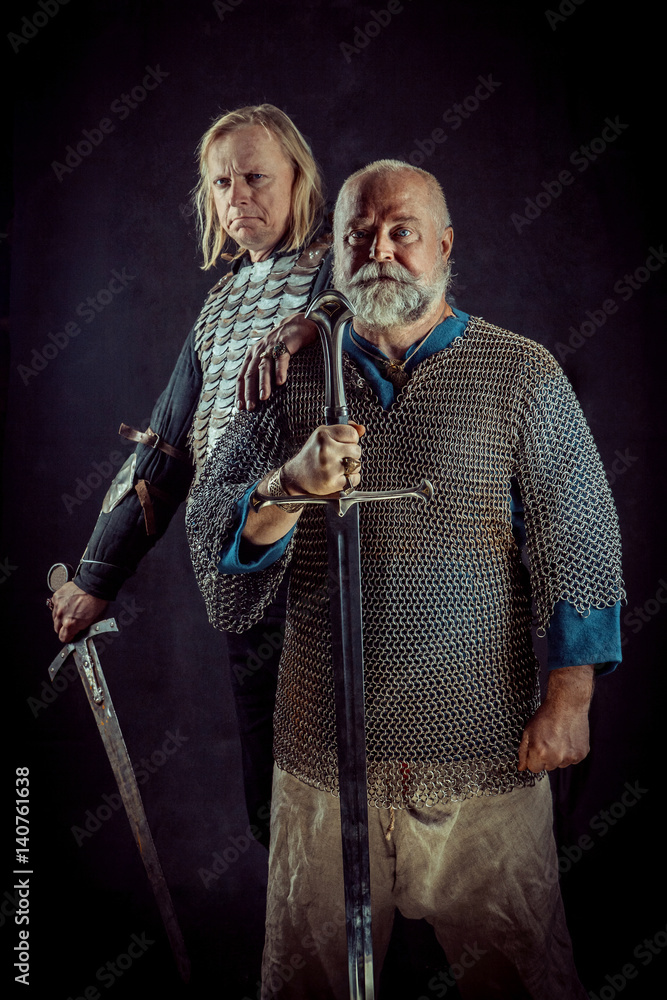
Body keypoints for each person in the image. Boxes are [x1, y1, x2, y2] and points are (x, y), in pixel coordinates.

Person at [186, 159, 625, 998]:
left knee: (519, 979)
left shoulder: (518, 375)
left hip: (481, 753)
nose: (379, 250)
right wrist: (285, 487)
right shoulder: (286, 381)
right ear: (335, 258)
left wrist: (570, 697)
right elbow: (218, 544)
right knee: (305, 983)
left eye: (401, 232)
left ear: (444, 245)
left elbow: (581, 538)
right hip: (321, 759)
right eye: (357, 237)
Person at [47, 103, 331, 846]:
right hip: (246, 561)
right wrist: (96, 575)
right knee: (275, 803)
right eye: (221, 182)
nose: (237, 196)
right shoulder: (220, 307)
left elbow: (401, 324)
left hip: (345, 564)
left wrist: (325, 315)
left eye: (255, 176)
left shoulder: (349, 266)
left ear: (298, 175)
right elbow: (165, 452)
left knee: (366, 804)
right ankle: (298, 958)